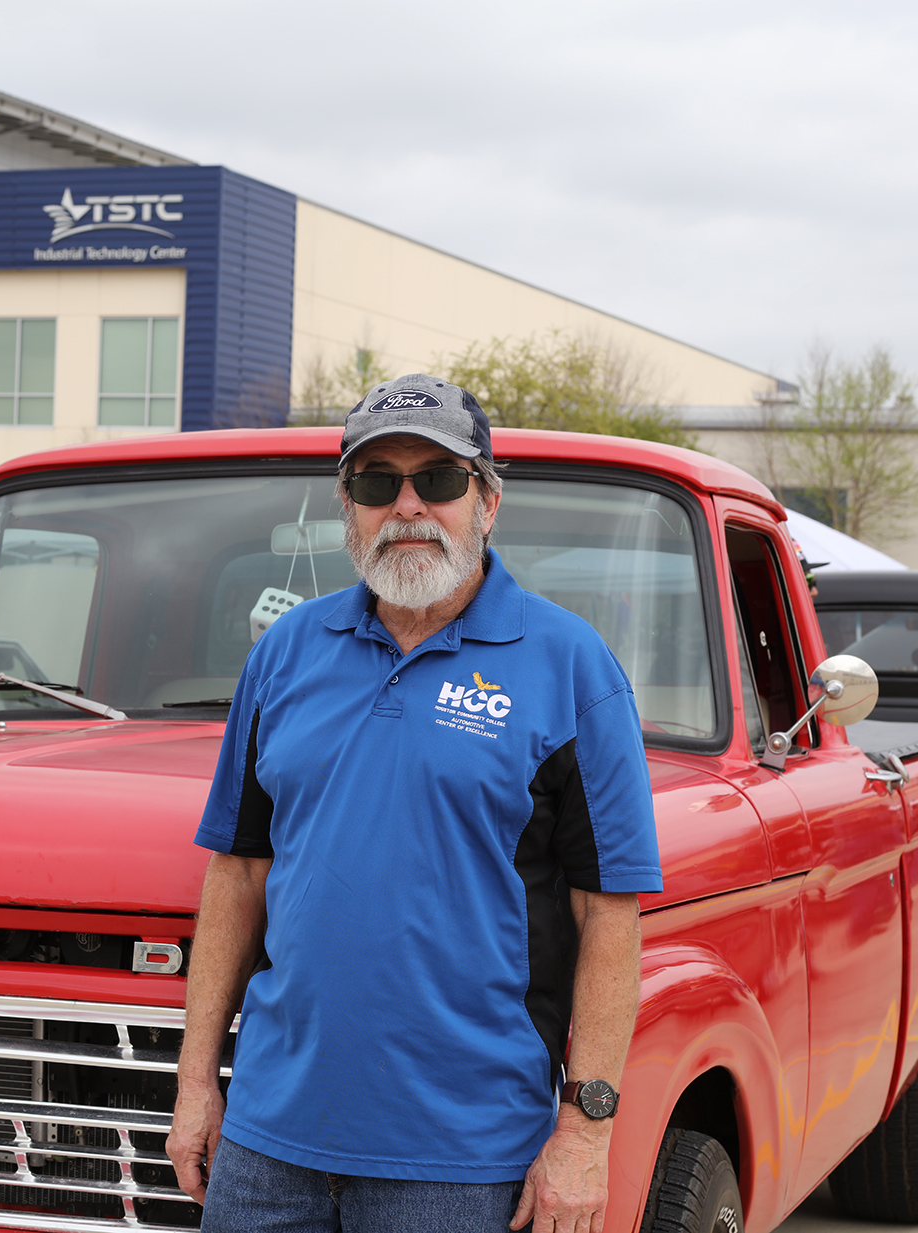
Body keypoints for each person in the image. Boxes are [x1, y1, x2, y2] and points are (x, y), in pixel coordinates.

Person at [169, 373, 662, 1232]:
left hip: (463, 1161)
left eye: (437, 479)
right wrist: (194, 1080)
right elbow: (239, 872)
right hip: (265, 1145)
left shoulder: (572, 667)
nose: (406, 506)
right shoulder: (285, 653)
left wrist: (586, 1131)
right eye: (375, 483)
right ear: (346, 505)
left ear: (488, 501)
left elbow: (608, 917)